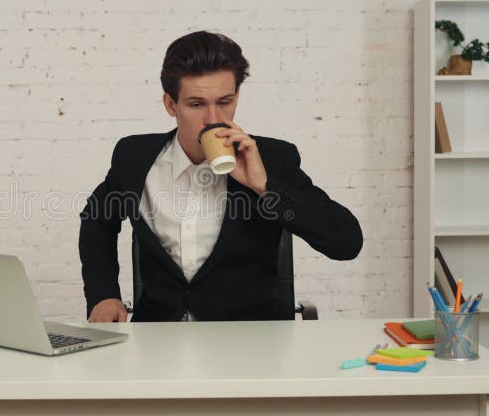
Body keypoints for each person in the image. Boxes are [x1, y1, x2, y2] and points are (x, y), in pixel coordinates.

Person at [79, 31, 362, 323]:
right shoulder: (134, 157)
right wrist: (104, 294)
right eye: (196, 104)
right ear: (171, 104)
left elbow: (347, 242)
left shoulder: (274, 159)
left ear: (237, 97)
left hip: (249, 342)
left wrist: (265, 187)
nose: (213, 119)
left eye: (225, 101)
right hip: (159, 340)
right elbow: (97, 219)